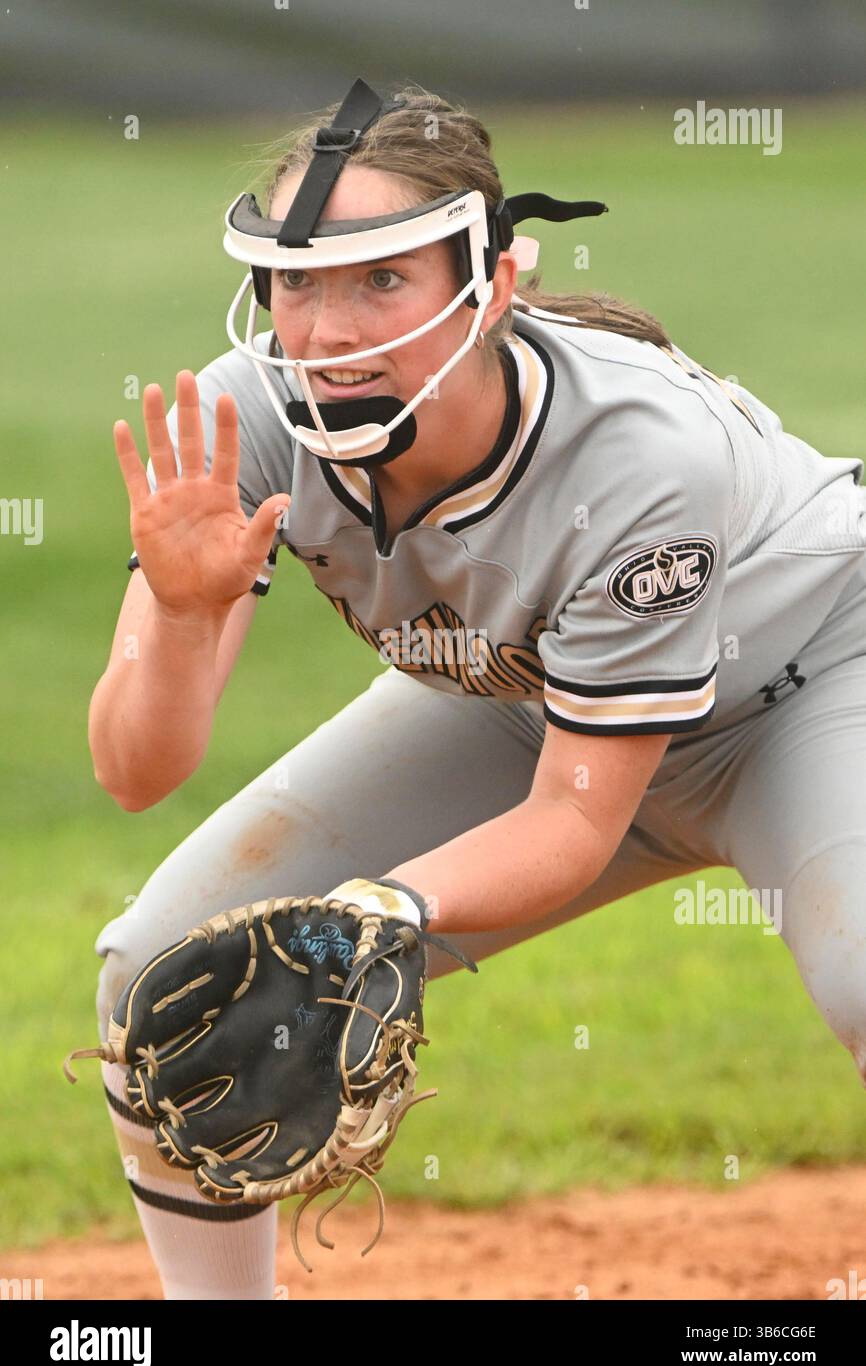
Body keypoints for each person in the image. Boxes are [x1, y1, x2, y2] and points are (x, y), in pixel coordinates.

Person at [88, 79, 866, 1301]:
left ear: (491, 285)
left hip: (810, 680)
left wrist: (377, 912)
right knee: (156, 970)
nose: (328, 331)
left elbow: (574, 819)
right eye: (298, 283)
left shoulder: (637, 454)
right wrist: (182, 617)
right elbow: (137, 771)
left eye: (380, 279)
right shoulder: (248, 416)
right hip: (530, 695)